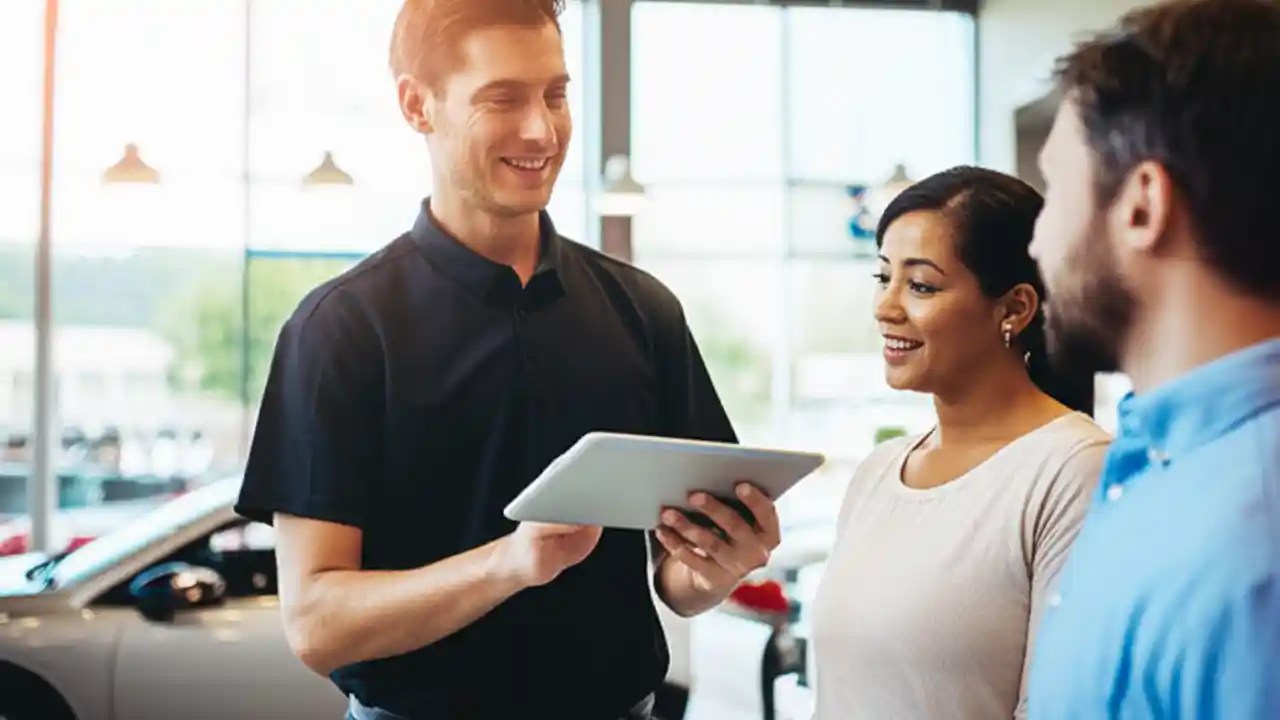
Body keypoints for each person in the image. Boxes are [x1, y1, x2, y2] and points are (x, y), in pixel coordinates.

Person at [232, 2, 784, 718]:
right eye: (503, 98)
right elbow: (315, 624)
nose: (541, 129)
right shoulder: (340, 329)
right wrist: (510, 565)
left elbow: (675, 579)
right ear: (416, 104)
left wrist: (720, 565)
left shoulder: (643, 312)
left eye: (555, 94)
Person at [1026, 1, 1280, 717]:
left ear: (1142, 204)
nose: (1036, 242)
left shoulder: (1255, 551)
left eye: (1053, 191)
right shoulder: (1158, 465)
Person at [809, 166, 1111, 719]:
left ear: (1015, 308)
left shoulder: (1074, 470)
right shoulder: (877, 472)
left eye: (921, 285)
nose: (886, 307)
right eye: (884, 278)